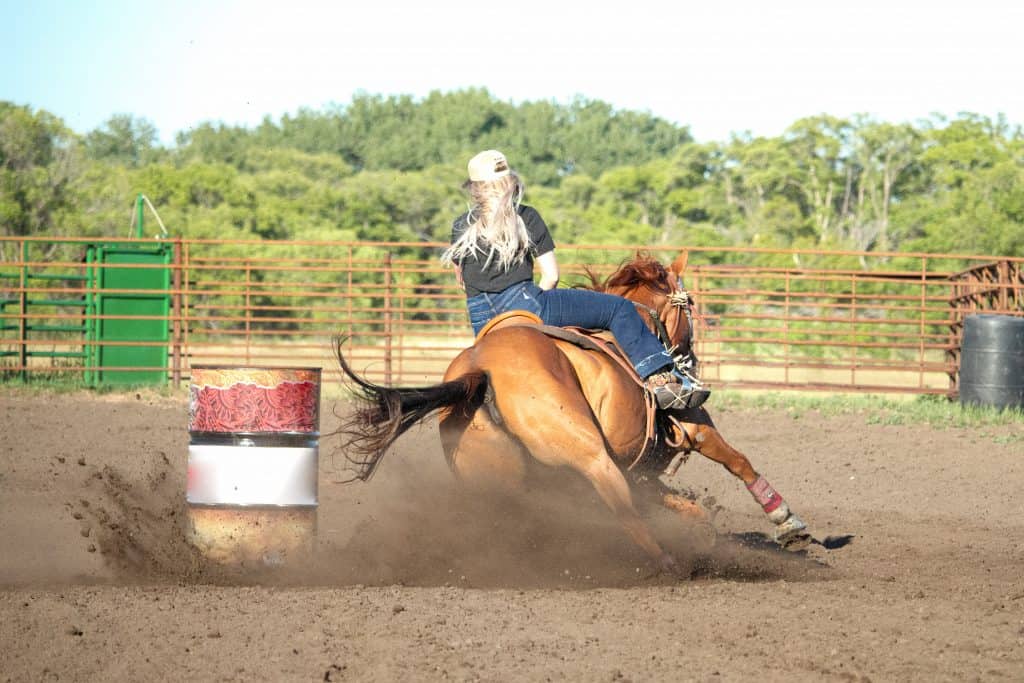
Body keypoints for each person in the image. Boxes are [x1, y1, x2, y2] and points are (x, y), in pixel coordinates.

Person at [441, 149, 709, 410]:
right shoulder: (526, 216)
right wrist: (531, 304)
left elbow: (463, 281)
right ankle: (659, 378)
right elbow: (552, 276)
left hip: (482, 321)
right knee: (619, 308)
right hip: (527, 305)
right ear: (510, 181)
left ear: (474, 188)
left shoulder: (460, 226)